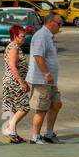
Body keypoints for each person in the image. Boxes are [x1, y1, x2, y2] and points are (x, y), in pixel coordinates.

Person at [26, 9, 64, 144]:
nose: (60, 27)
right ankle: (35, 136)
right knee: (41, 108)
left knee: (56, 103)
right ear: (50, 22)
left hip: (50, 81)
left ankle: (49, 133)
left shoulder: (48, 36)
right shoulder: (41, 36)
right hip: (42, 80)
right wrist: (46, 74)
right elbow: (38, 56)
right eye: (59, 24)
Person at [0, 25, 30, 144]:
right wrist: (22, 82)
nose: (24, 38)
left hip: (12, 81)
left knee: (13, 108)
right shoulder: (14, 48)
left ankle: (13, 132)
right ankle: (10, 129)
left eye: (24, 36)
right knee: (24, 107)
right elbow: (12, 66)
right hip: (13, 82)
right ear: (14, 36)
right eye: (22, 36)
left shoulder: (15, 47)